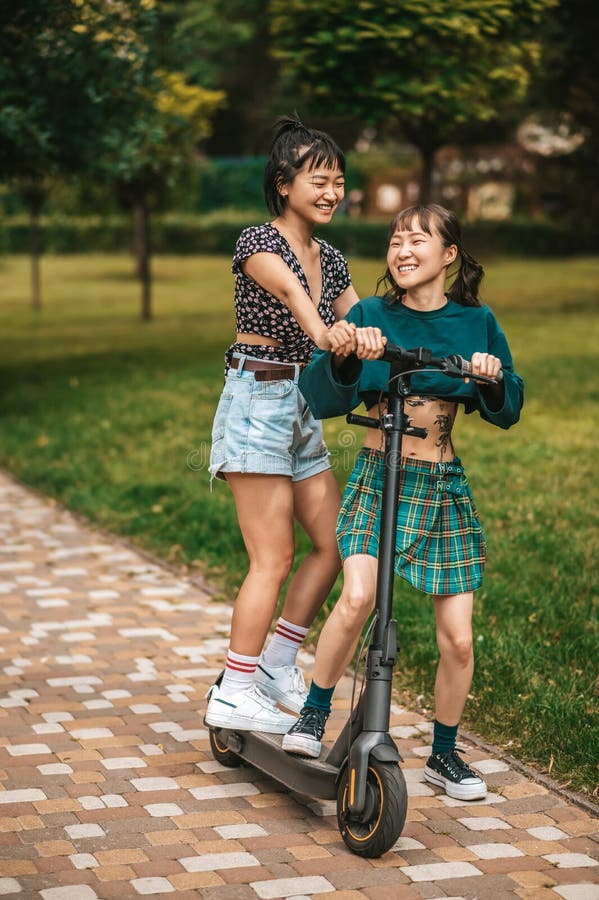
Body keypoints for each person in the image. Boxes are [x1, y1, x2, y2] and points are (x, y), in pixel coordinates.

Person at [282, 203, 524, 801]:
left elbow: (510, 405)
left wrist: (491, 376)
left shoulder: (477, 322)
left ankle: (444, 755)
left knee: (459, 638)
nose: (403, 250)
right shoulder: (370, 315)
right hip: (377, 476)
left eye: (418, 239)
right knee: (359, 596)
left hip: (441, 485)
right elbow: (318, 391)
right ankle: (313, 713)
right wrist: (346, 349)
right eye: (395, 240)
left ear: (449, 255)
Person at [206, 115, 360, 734]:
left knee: (336, 544)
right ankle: (234, 689)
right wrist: (327, 334)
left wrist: (400, 331)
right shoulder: (256, 243)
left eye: (339, 181)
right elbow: (296, 297)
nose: (331, 192)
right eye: (319, 180)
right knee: (272, 557)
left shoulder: (333, 257)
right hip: (256, 400)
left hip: (301, 405)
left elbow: (366, 316)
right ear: (284, 183)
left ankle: (274, 664)